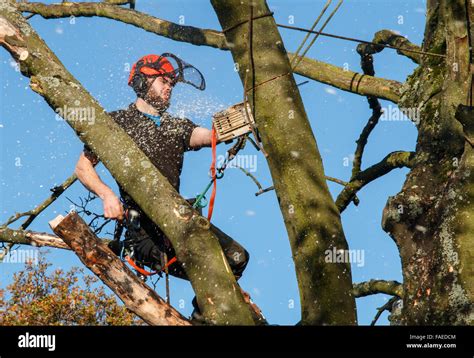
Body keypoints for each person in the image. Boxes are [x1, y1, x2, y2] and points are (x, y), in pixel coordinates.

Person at [74, 53, 250, 320]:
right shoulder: (116, 123)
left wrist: (232, 125)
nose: (169, 87)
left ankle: (203, 318)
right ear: (143, 82)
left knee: (237, 257)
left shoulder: (174, 125)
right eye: (163, 81)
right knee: (206, 266)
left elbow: (205, 135)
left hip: (180, 221)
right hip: (145, 232)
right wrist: (107, 194)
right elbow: (82, 167)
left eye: (171, 83)